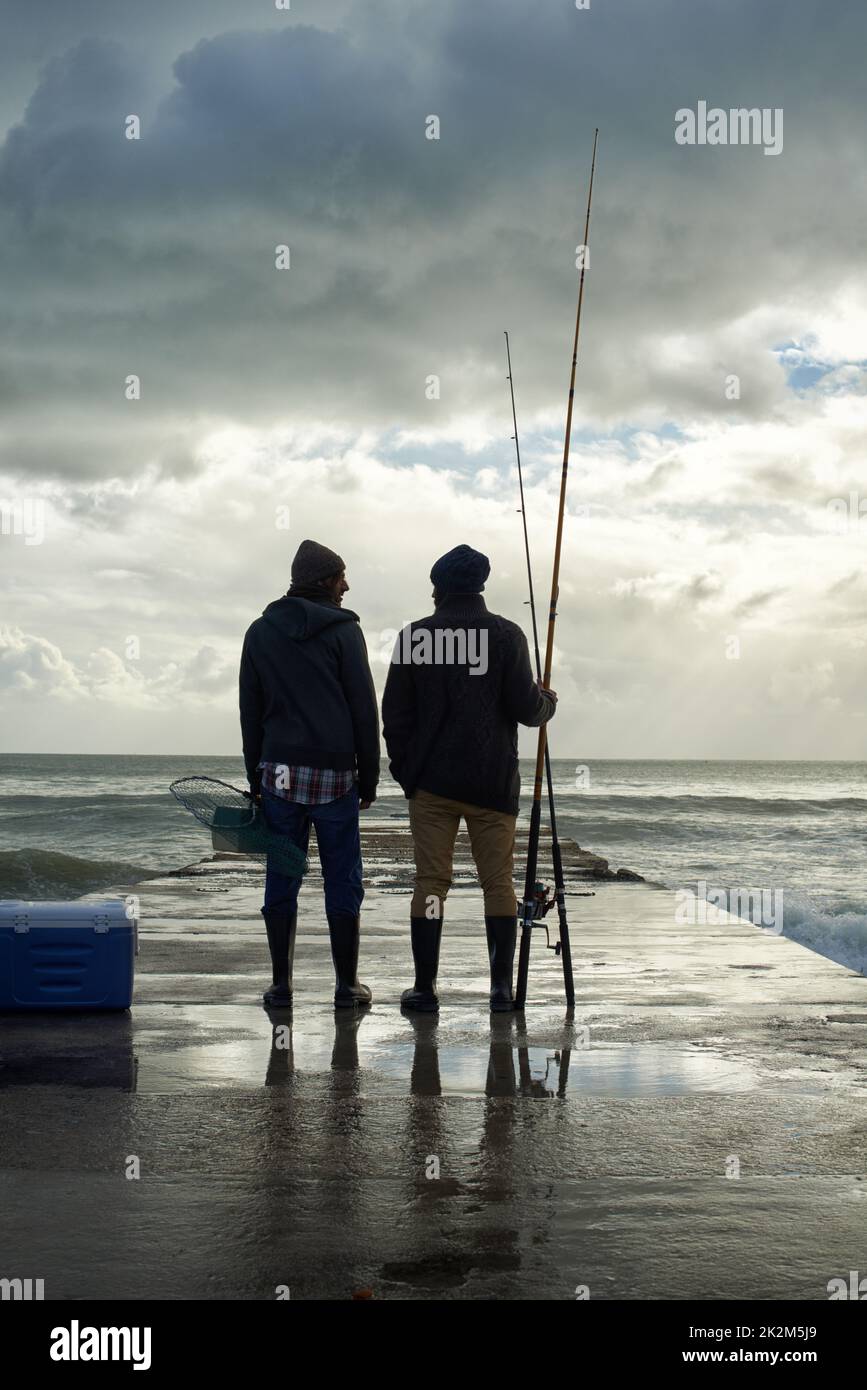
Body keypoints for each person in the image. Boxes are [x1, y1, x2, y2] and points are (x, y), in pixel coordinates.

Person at [382, 543, 556, 1013]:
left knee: (431, 883)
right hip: (492, 783)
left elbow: (394, 716)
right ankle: (500, 990)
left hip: (431, 784)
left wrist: (407, 773)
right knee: (498, 883)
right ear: (480, 585)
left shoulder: (415, 637)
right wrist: (548, 703)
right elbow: (528, 710)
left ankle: (425, 988)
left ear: (439, 587)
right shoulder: (507, 634)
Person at [239, 539, 380, 1009]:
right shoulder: (345, 632)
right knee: (343, 878)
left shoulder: (260, 632)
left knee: (283, 873)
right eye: (341, 577)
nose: (346, 586)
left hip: (278, 773)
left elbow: (250, 710)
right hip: (334, 773)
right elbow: (364, 709)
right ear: (324, 581)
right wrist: (369, 777)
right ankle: (346, 987)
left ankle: (281, 986)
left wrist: (254, 776)